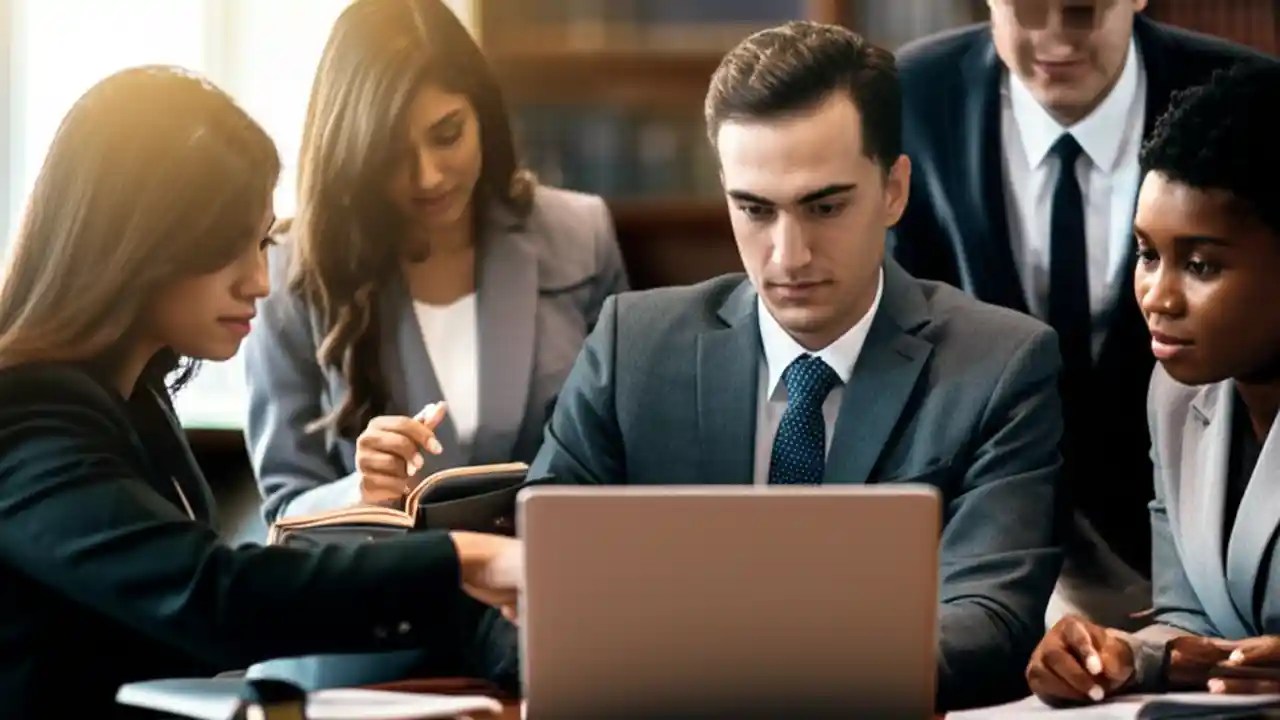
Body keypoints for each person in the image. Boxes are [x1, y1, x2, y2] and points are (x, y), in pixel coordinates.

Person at [528, 21, 1063, 711]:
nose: (788, 256)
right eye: (754, 209)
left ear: (894, 190)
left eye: (825, 206)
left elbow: (989, 622)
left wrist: (726, 665)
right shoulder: (633, 345)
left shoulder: (999, 366)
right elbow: (537, 587)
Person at [0, 66, 521, 718]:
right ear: (136, 243)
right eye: (229, 248)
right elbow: (213, 596)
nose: (259, 281)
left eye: (262, 242)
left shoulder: (133, 399)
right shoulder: (23, 414)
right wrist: (459, 558)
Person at [241, 0, 624, 690]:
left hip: (537, 613)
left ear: (482, 111)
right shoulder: (291, 271)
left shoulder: (580, 235)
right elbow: (283, 517)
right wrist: (361, 489)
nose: (426, 176)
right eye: (392, 153)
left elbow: (626, 449)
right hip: (367, 630)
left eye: (447, 134)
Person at [892, 0, 1267, 628]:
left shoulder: (1248, 98)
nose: (1055, 40)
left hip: (1204, 555)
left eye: (1082, 12)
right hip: (978, 541)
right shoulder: (906, 97)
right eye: (1030, 10)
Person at [1026, 60, 1280, 704]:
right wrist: (1118, 655)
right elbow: (1193, 620)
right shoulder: (1175, 396)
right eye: (1146, 254)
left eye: (1199, 264)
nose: (1157, 297)